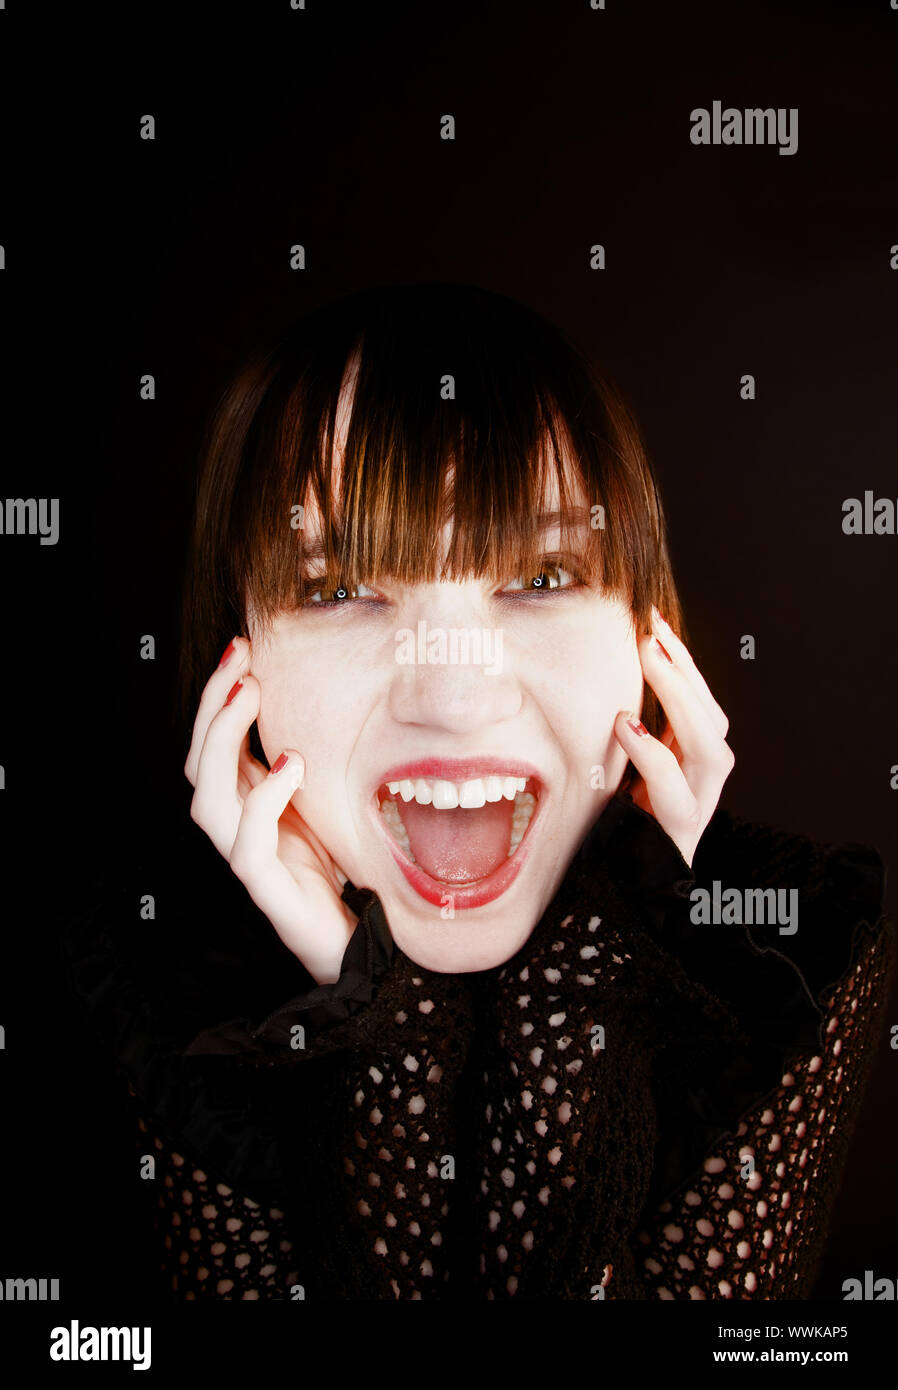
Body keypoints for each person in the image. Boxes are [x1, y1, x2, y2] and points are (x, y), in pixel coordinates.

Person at [63, 283, 893, 1300]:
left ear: (650, 637)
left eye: (541, 575)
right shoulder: (167, 982)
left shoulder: (777, 953)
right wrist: (361, 998)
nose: (453, 696)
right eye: (338, 588)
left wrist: (604, 951)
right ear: (236, 663)